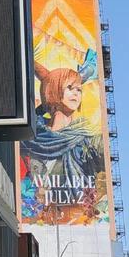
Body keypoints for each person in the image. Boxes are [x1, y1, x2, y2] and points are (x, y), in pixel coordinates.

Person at [22, 63, 105, 204]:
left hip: (79, 216)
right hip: (37, 218)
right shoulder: (31, 137)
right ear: (53, 91)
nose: (76, 93)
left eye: (79, 89)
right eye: (70, 88)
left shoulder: (86, 138)